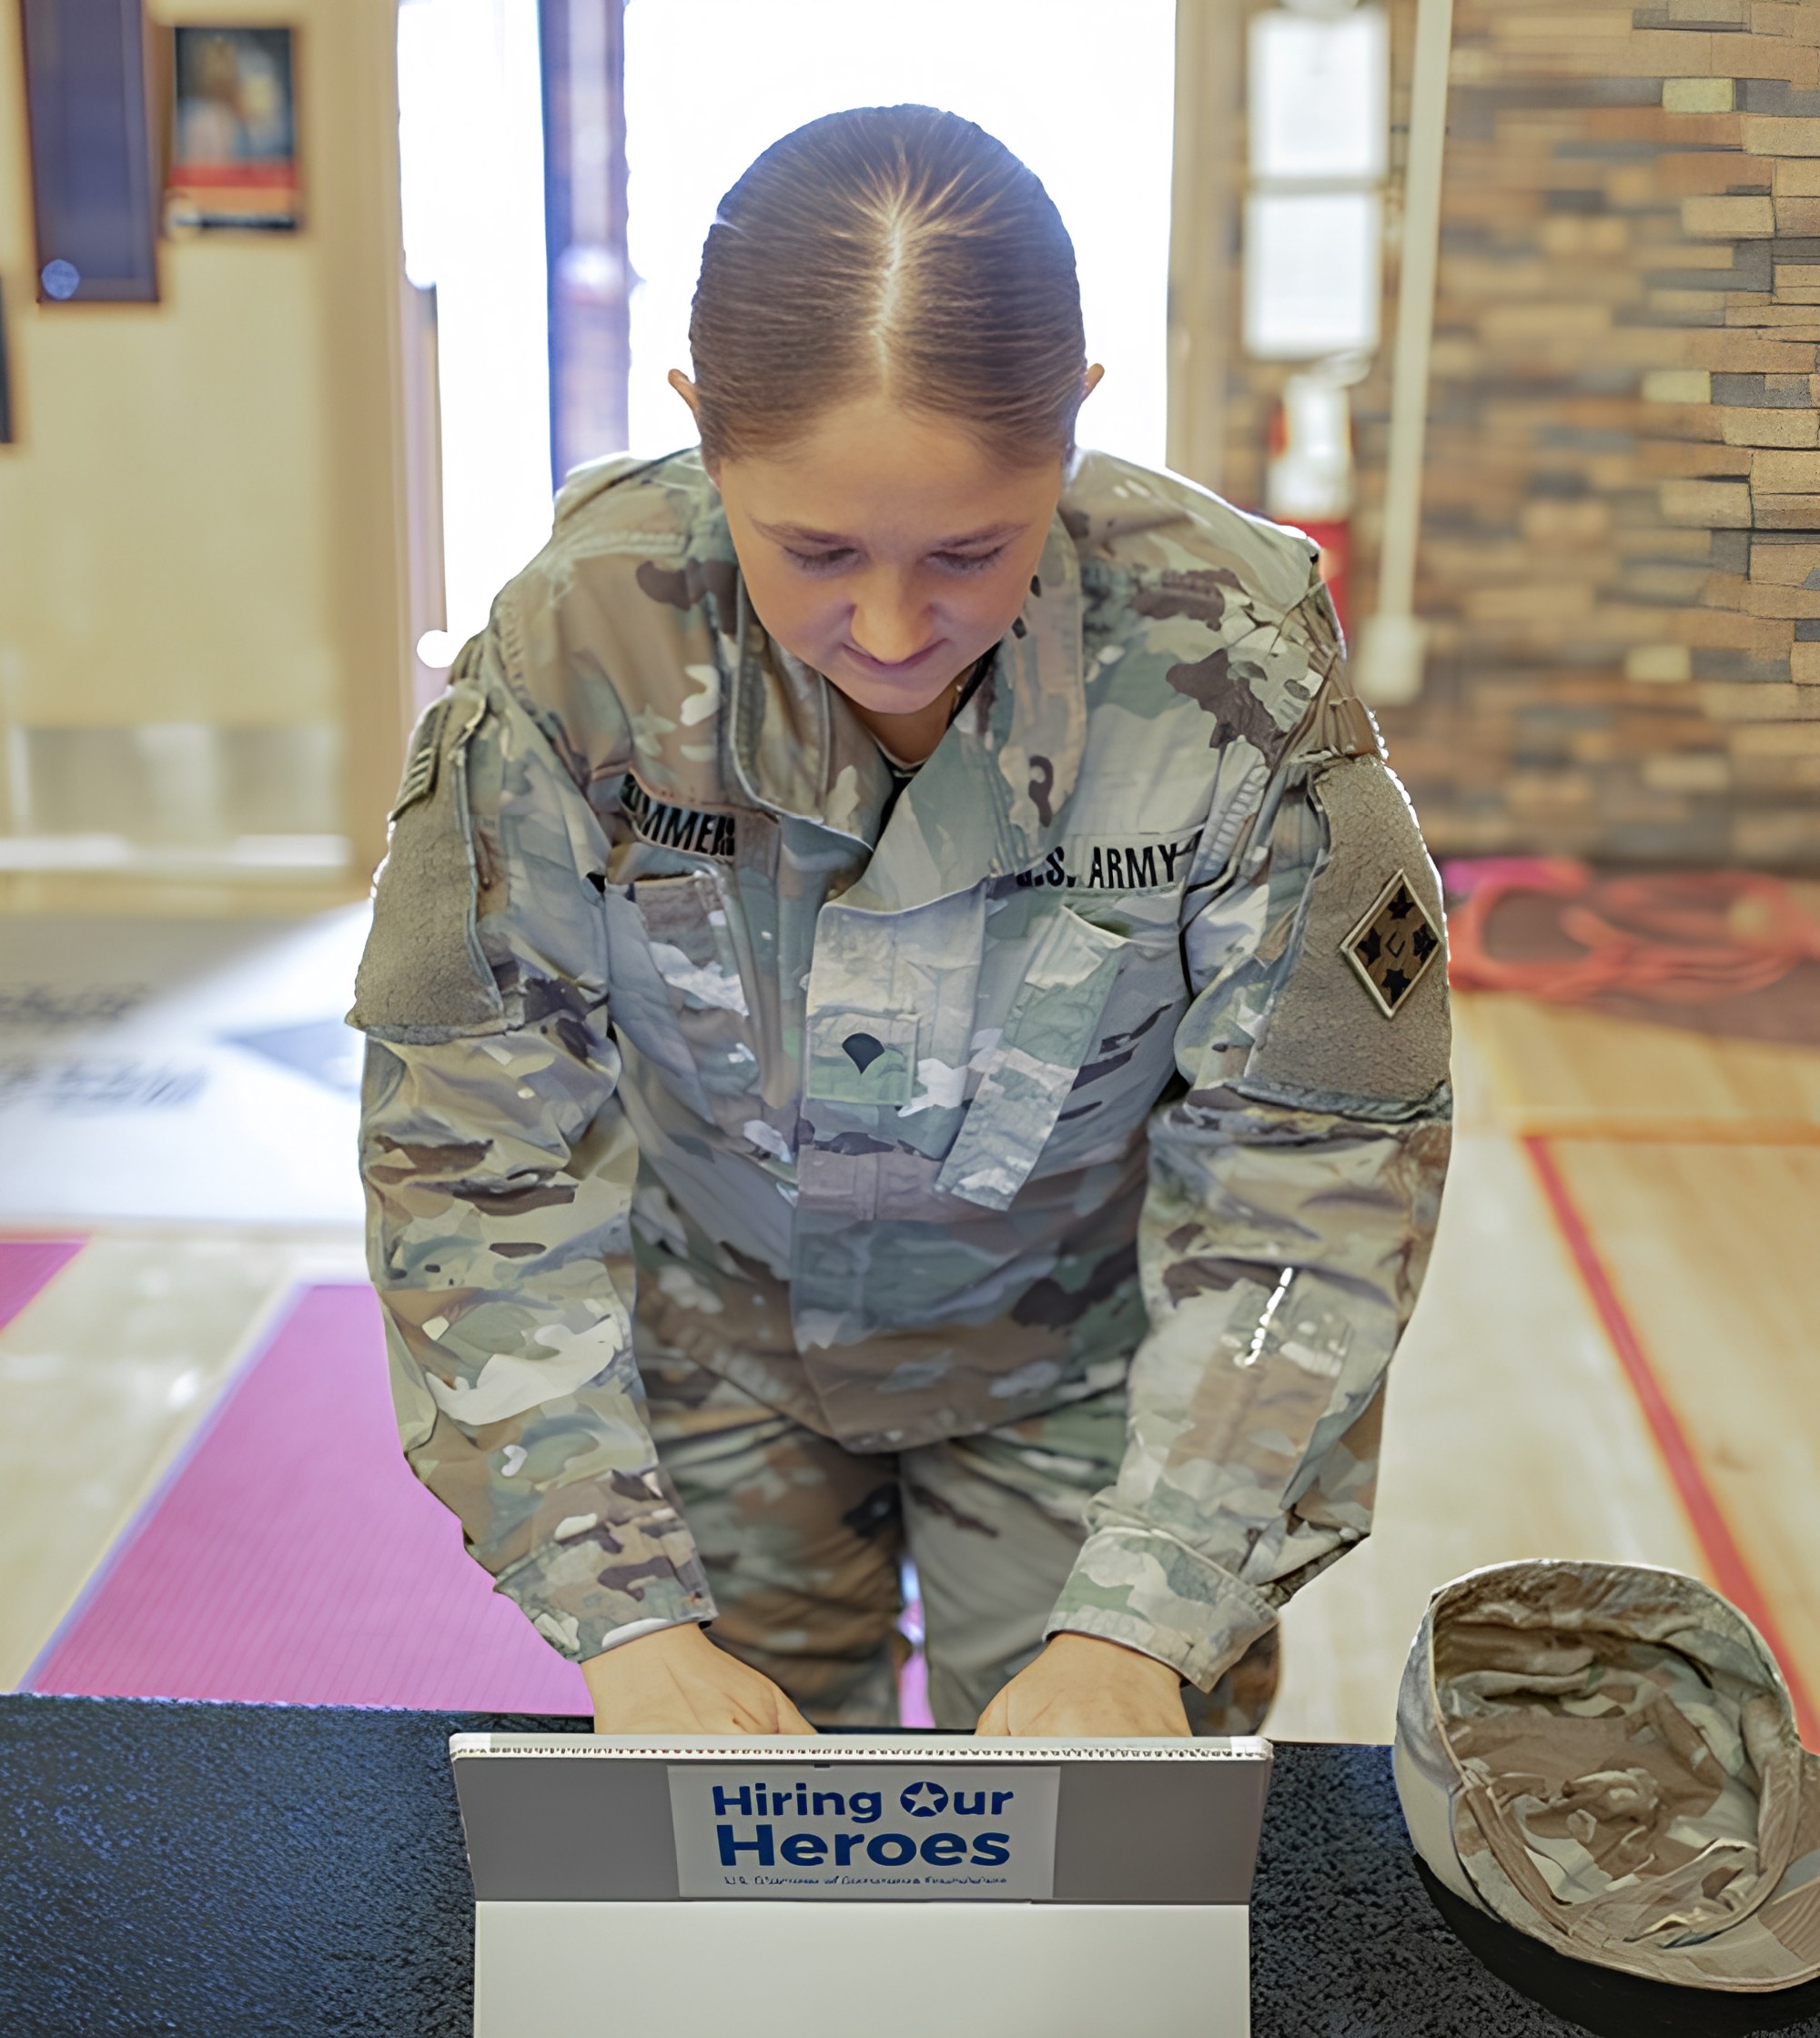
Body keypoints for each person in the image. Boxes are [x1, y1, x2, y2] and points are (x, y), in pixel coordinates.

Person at [351, 105, 1451, 1740]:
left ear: (1070, 430)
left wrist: (1151, 1619)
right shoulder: (579, 646)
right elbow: (470, 1142)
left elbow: (1319, 1170)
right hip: (711, 1357)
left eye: (967, 550)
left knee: (1099, 1837)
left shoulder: (1236, 665)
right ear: (702, 431)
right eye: (812, 550)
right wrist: (618, 1604)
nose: (885, 625)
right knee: (739, 1834)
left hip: (1093, 1382)